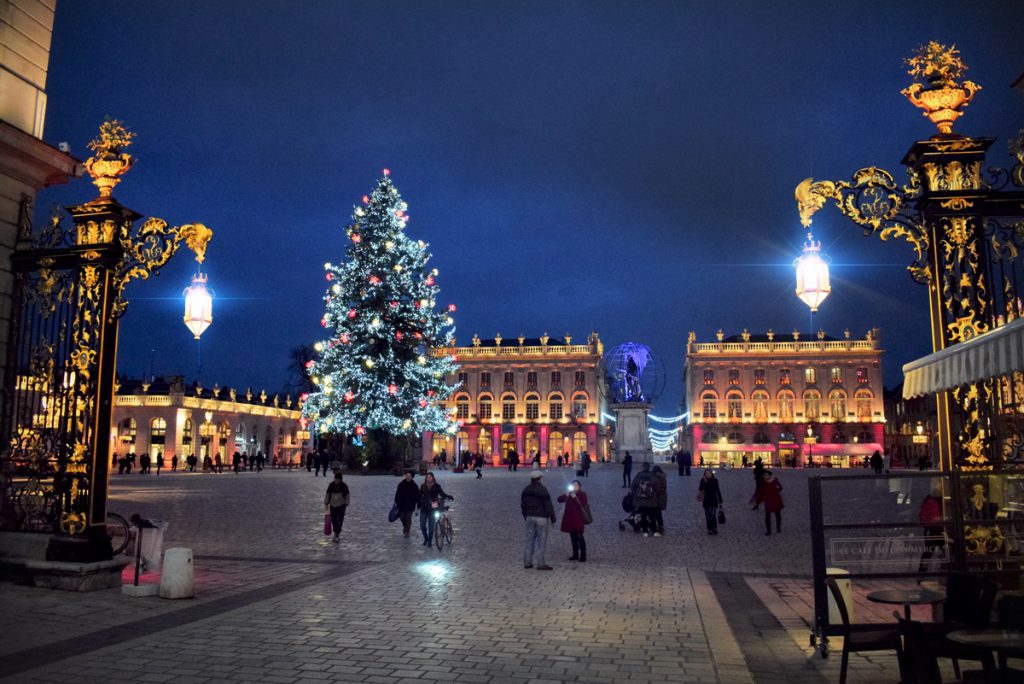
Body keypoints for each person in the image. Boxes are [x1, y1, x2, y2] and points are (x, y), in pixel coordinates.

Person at [521, 471, 556, 569]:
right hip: (541, 517)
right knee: (541, 541)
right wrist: (553, 518)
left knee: (529, 540)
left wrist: (525, 516)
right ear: (540, 478)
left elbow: (523, 505)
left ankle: (527, 562)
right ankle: (541, 563)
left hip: (529, 517)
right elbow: (549, 505)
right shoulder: (543, 489)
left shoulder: (526, 489)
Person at [418, 472, 453, 547]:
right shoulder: (423, 486)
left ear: (433, 478)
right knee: (422, 525)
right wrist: (418, 503)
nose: (429, 478)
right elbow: (419, 495)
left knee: (431, 527)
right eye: (427, 477)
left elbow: (442, 494)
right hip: (424, 508)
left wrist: (449, 496)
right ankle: (426, 539)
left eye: (430, 477)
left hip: (432, 509)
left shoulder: (437, 486)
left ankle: (430, 541)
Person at [557, 480, 588, 562]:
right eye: (573, 485)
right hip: (570, 519)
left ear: (579, 486)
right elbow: (559, 500)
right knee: (573, 537)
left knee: (580, 537)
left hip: (578, 519)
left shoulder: (582, 494)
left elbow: (582, 504)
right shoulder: (569, 494)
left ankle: (583, 555)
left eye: (576, 485)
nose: (575, 487)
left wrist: (575, 498)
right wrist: (566, 495)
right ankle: (575, 554)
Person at [918, 488, 945, 572]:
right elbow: (923, 516)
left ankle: (923, 572)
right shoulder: (931, 501)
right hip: (933, 529)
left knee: (931, 552)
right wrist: (932, 521)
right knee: (929, 552)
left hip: (941, 529)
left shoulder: (941, 500)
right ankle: (922, 572)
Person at [630, 462, 659, 536]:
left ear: (642, 467)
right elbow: (657, 487)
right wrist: (654, 494)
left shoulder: (638, 475)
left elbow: (633, 486)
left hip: (641, 499)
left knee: (643, 515)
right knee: (652, 515)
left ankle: (645, 531)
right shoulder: (652, 475)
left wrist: (636, 495)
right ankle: (655, 531)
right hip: (651, 499)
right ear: (649, 467)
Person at [754, 470, 783, 535]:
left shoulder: (775, 481)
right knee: (767, 516)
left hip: (776, 500)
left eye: (766, 475)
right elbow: (760, 493)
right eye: (764, 475)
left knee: (778, 515)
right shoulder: (763, 483)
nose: (765, 476)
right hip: (768, 501)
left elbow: (780, 488)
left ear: (770, 475)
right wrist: (757, 501)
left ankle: (778, 528)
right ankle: (768, 531)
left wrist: (778, 487)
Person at [323, 471, 350, 543]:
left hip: (341, 505)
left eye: (338, 479)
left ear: (341, 479)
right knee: (334, 519)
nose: (336, 480)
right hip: (333, 505)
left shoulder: (344, 486)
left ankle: (337, 534)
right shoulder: (331, 485)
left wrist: (347, 502)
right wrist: (326, 502)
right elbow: (328, 494)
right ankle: (336, 533)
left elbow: (347, 495)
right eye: (335, 479)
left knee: (340, 519)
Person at [394, 470, 419, 537]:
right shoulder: (401, 484)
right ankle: (405, 526)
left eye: (409, 476)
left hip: (410, 505)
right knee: (402, 517)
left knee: (408, 518)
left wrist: (418, 504)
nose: (408, 477)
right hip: (401, 505)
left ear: (412, 477)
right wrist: (397, 501)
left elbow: (417, 496)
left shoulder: (414, 486)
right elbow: (397, 494)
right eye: (407, 475)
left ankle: (407, 531)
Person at [698, 469, 723, 535]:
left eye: (709, 473)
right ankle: (709, 529)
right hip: (706, 500)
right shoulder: (703, 481)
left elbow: (718, 490)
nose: (708, 475)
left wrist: (720, 500)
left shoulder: (715, 480)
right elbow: (700, 489)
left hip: (713, 500)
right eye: (706, 473)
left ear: (711, 474)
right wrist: (704, 482)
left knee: (713, 514)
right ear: (704, 474)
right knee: (708, 515)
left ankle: (714, 528)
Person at [652, 465, 668, 535]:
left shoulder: (657, 479)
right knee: (658, 514)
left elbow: (657, 489)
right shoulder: (663, 478)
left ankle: (657, 528)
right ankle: (660, 527)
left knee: (655, 513)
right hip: (662, 498)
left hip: (657, 498)